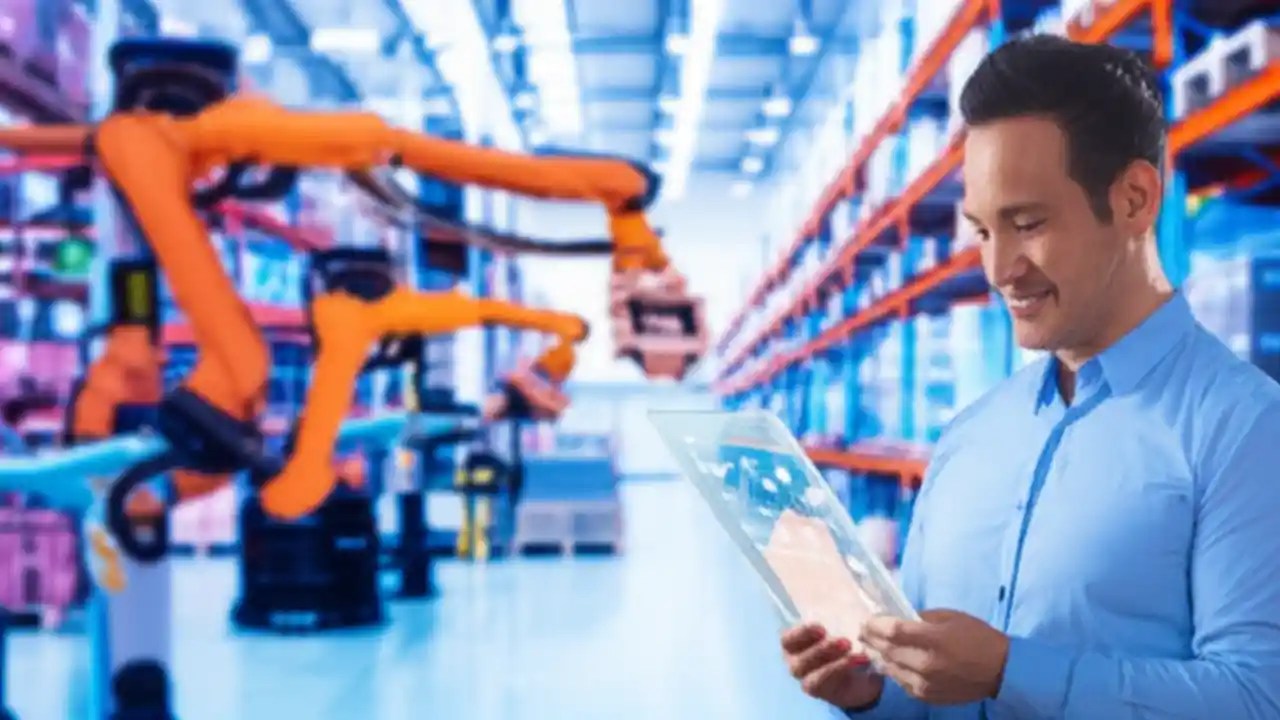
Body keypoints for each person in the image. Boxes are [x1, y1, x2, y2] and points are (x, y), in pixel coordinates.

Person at [780, 34, 1280, 719]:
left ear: (1135, 199)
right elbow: (929, 694)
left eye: (1028, 224)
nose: (998, 269)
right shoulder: (969, 440)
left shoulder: (1244, 429)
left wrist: (1012, 672)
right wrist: (872, 692)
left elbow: (1257, 697)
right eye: (984, 232)